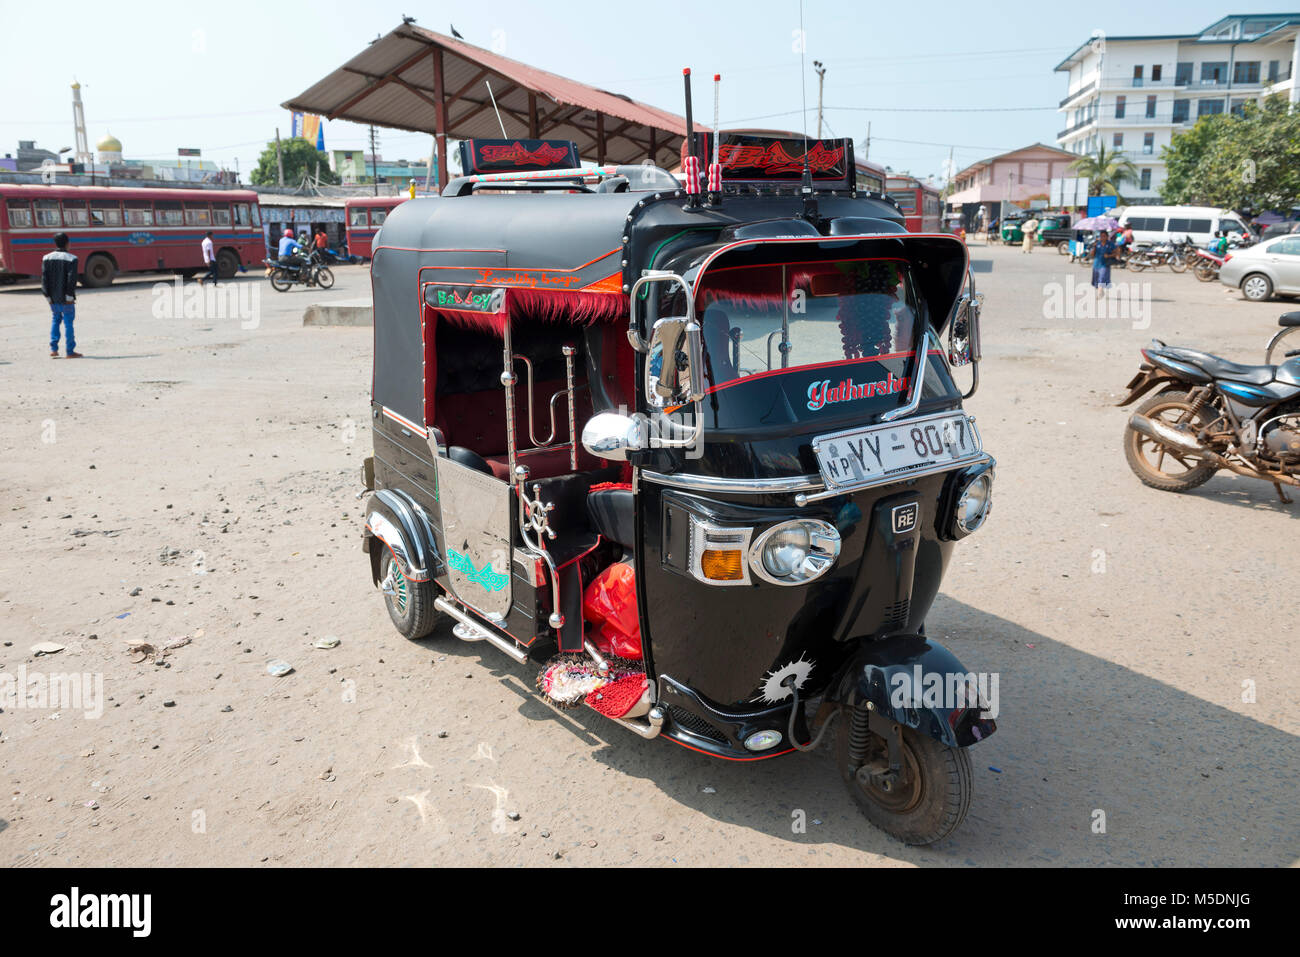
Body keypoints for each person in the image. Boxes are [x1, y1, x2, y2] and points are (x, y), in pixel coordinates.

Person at [42, 232, 81, 358]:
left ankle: (54, 349)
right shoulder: (72, 258)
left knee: (55, 320)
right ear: (67, 243)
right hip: (66, 298)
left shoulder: (46, 258)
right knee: (68, 322)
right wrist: (69, 296)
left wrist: (47, 296)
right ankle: (70, 351)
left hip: (53, 297)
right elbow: (71, 279)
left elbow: (44, 279)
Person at [1092, 229, 1117, 294]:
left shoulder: (1110, 244)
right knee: (1096, 279)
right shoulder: (1097, 244)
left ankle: (1100, 291)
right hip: (1096, 264)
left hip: (1105, 264)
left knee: (1102, 277)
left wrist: (1108, 256)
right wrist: (1094, 247)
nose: (1102, 238)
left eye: (1104, 236)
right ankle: (1100, 289)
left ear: (1107, 237)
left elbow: (1116, 253)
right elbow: (1092, 255)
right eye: (1101, 236)